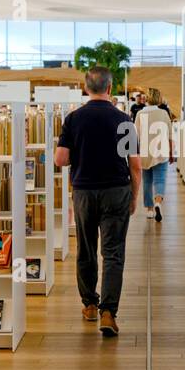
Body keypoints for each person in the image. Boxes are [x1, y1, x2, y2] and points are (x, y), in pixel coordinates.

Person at [55, 67, 141, 337]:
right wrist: (134, 196)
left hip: (83, 191)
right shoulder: (124, 119)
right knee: (113, 252)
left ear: (85, 87)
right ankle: (108, 312)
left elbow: (60, 159)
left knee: (86, 248)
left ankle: (90, 305)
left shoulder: (73, 119)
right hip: (117, 190)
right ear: (110, 87)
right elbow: (135, 165)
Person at [135, 87, 173, 221]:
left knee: (147, 181)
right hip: (161, 152)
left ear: (147, 98)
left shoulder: (140, 114)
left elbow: (136, 135)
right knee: (160, 180)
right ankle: (158, 202)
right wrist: (171, 152)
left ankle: (150, 209)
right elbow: (170, 135)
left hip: (145, 152)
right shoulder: (164, 113)